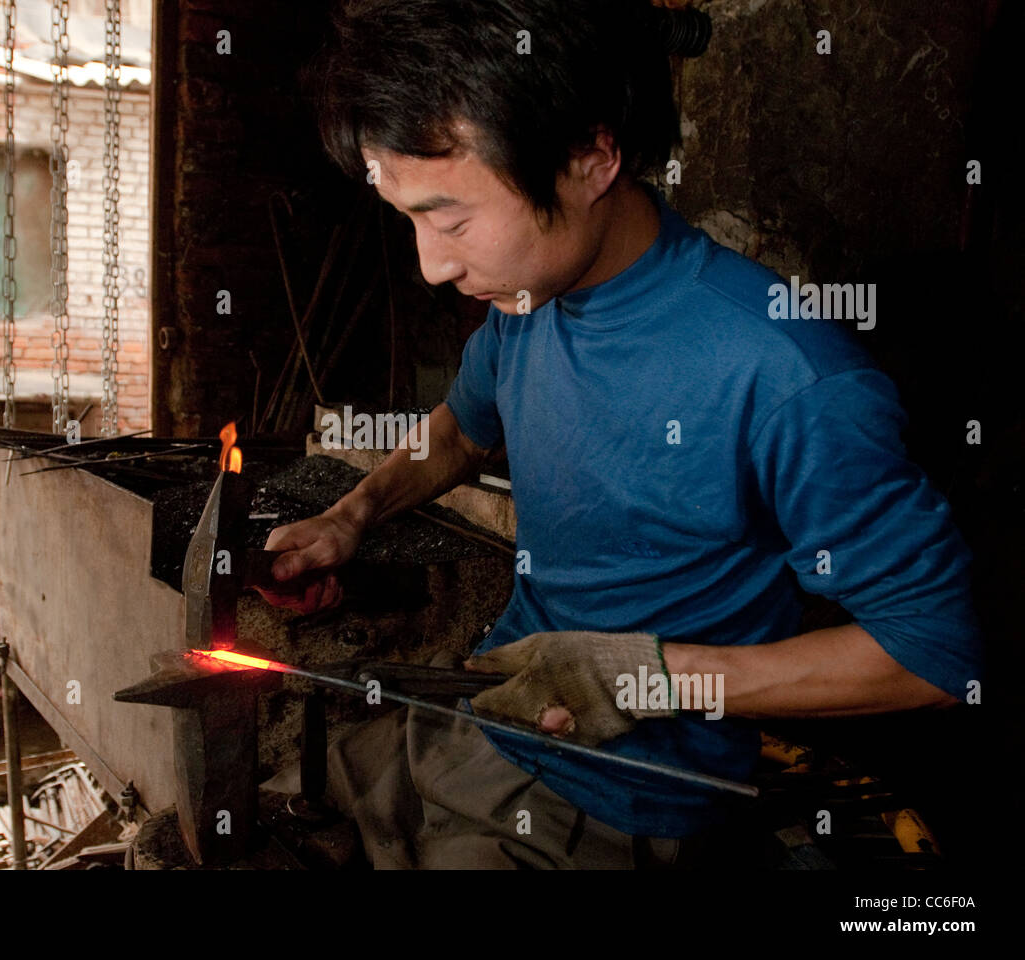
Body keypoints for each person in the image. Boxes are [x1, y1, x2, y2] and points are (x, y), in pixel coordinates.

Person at [255, 0, 983, 869]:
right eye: (409, 219)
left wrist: (652, 676)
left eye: (451, 221)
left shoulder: (784, 371)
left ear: (592, 159)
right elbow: (464, 428)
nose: (432, 265)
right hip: (483, 715)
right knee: (263, 814)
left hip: (620, 803)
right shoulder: (526, 301)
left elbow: (935, 657)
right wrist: (354, 515)